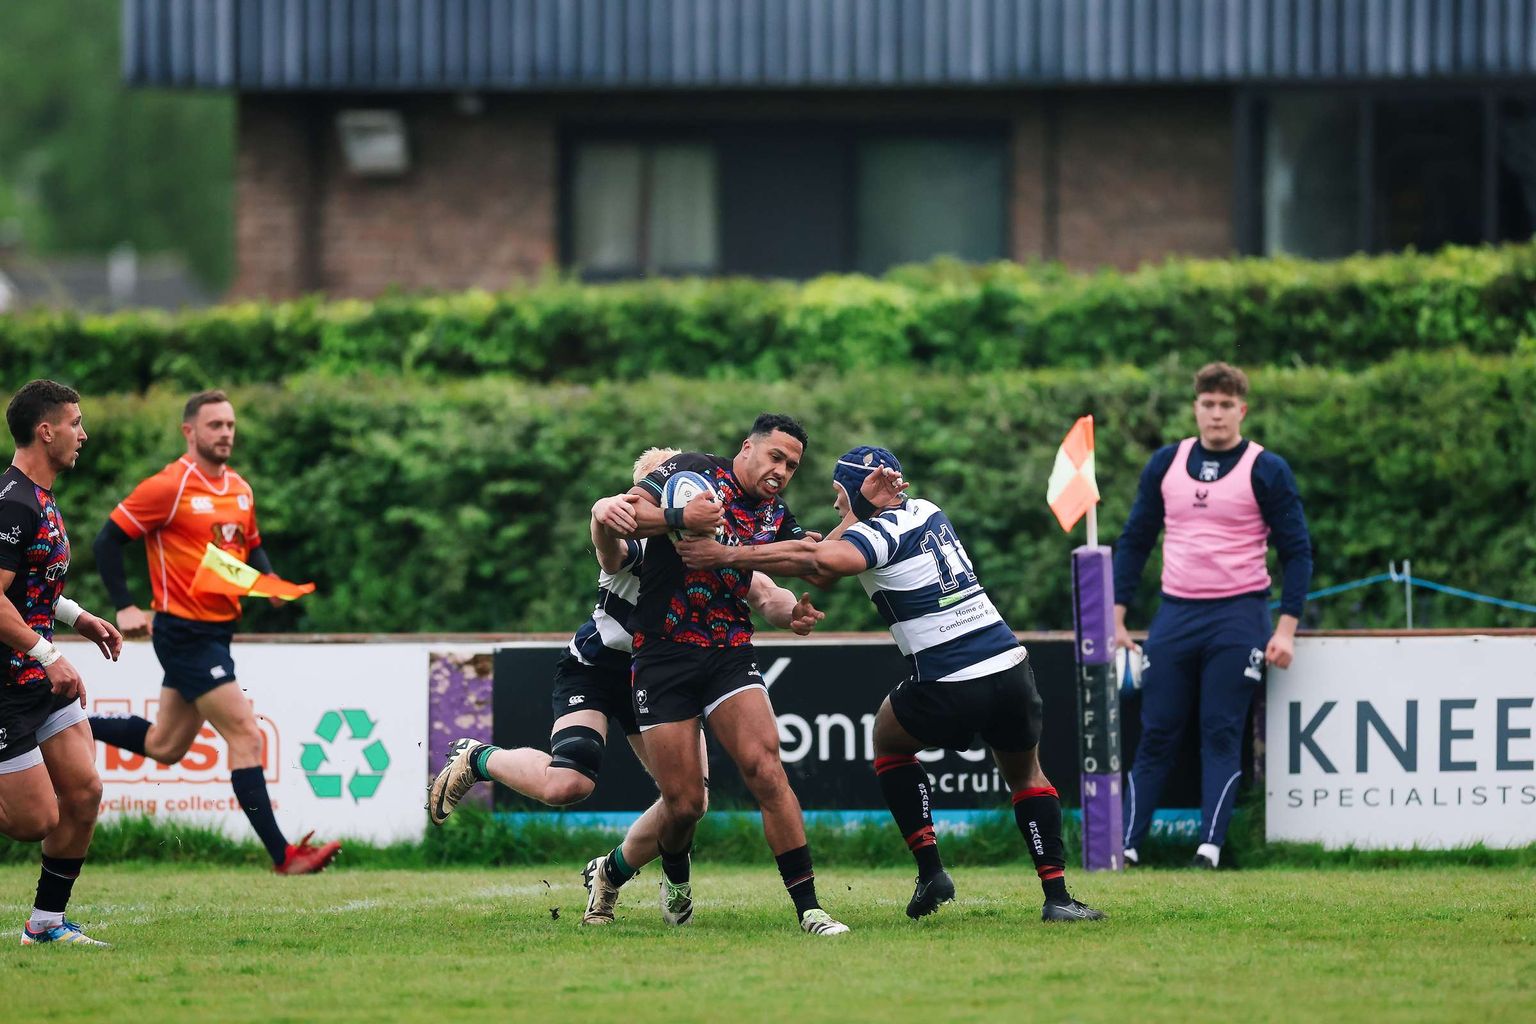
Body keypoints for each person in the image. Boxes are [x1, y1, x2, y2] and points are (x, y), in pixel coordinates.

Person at [428, 447, 821, 926]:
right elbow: (609, 543)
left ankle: (609, 874)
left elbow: (763, 590)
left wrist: (790, 612)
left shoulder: (717, 545)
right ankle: (478, 758)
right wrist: (601, 512)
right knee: (568, 784)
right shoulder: (638, 542)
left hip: (664, 673)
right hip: (599, 670)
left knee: (689, 802)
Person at [808, 445, 1105, 922]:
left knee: (888, 738)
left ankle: (932, 871)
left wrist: (726, 555)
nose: (835, 506)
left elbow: (820, 567)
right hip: (1009, 663)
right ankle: (1058, 898)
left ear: (858, 491)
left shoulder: (877, 531)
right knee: (1027, 775)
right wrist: (857, 513)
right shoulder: (927, 510)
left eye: (840, 494)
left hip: (949, 676)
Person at [597, 413, 846, 936]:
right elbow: (622, 517)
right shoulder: (691, 472)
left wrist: (787, 605)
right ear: (747, 448)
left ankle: (810, 908)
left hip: (729, 653)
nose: (782, 470)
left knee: (766, 768)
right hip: (662, 655)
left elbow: (816, 565)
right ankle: (677, 875)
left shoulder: (776, 514)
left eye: (793, 465)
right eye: (775, 457)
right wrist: (679, 516)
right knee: (685, 804)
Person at [88, 389, 340, 875]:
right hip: (184, 632)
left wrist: (270, 585)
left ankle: (65, 723)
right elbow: (107, 541)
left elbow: (252, 547)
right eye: (215, 425)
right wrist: (124, 606)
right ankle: (284, 855)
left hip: (218, 633)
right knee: (246, 733)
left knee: (166, 746)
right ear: (190, 431)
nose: (225, 433)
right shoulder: (170, 485)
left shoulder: (241, 489)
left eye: (230, 425)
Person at [1113, 362, 1313, 869]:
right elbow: (1136, 540)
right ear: (1196, 407)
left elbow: (1298, 552)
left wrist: (1286, 628)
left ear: (1241, 410)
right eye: (1209, 403)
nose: (1217, 414)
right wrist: (1114, 618)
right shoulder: (1166, 462)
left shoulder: (1268, 469)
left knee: (1221, 730)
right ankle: (1127, 847)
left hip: (1240, 614)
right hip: (1175, 612)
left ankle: (1210, 848)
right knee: (1157, 730)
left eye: (1227, 405)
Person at [1, 380, 123, 946]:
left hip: (36, 676)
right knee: (33, 820)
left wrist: (76, 617)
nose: (84, 433)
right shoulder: (14, 502)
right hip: (10, 681)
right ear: (45, 430)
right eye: (76, 422)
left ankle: (46, 924)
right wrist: (48, 653)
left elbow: (31, 582)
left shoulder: (40, 497)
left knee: (83, 793)